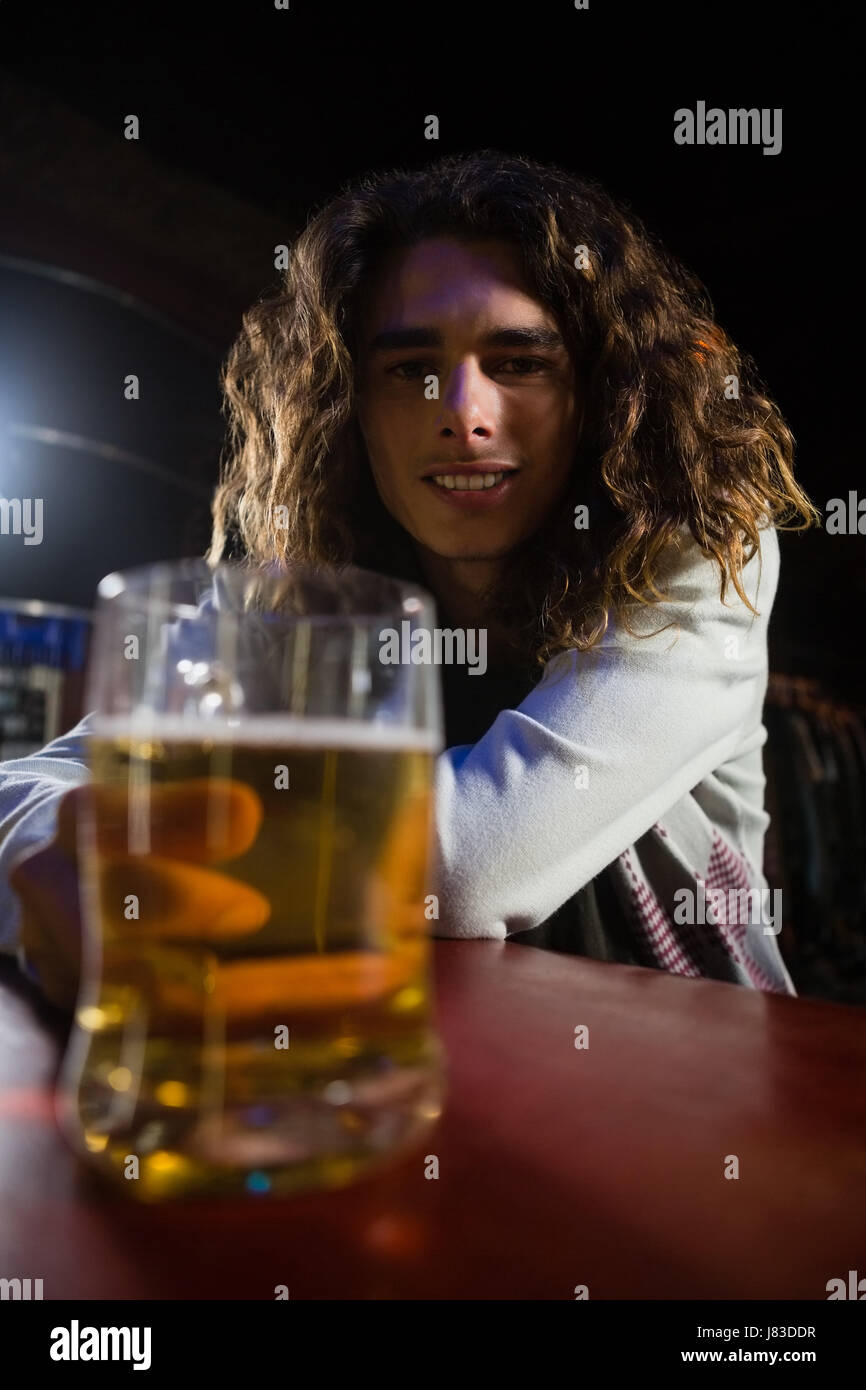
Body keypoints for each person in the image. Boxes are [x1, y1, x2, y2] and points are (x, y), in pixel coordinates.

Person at [0, 149, 821, 1007]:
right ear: (349, 403)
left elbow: (471, 864)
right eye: (409, 370)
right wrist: (58, 872)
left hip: (698, 1084)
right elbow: (34, 786)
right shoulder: (296, 583)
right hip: (413, 1062)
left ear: (602, 396)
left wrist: (158, 838)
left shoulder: (702, 551)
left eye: (520, 363)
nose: (463, 414)